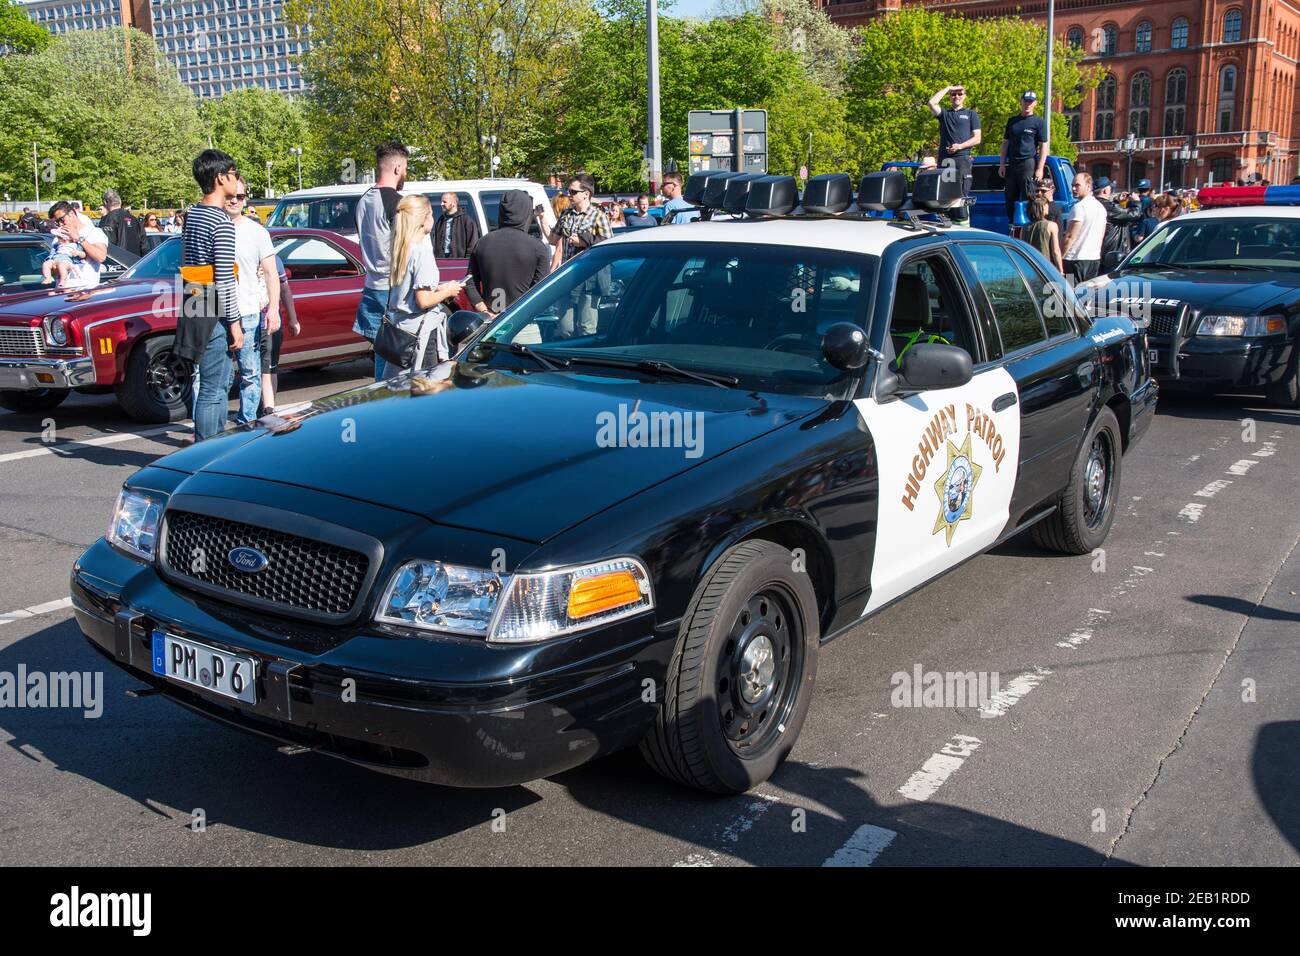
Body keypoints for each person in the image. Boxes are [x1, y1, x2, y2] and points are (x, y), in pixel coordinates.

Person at [178, 149, 243, 442]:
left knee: (211, 380)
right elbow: (225, 277)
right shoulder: (221, 222)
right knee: (214, 387)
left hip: (194, 298)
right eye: (233, 173)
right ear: (220, 178)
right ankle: (208, 451)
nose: (236, 179)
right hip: (214, 305)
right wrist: (235, 321)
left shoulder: (193, 215)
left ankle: (210, 445)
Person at [383, 194, 466, 377]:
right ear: (422, 219)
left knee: (399, 386)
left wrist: (440, 288)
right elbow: (423, 301)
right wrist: (449, 291)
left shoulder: (401, 249)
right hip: (421, 333)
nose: (433, 218)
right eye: (430, 214)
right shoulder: (422, 253)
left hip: (401, 330)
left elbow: (410, 290)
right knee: (424, 388)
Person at [225, 176, 280, 425]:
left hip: (248, 312)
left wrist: (274, 310)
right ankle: (205, 432)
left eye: (241, 196)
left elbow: (272, 273)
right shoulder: (212, 226)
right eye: (230, 196)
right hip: (215, 313)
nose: (235, 200)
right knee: (211, 377)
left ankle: (246, 424)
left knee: (250, 374)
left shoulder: (257, 232)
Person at [353, 141, 408, 379]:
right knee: (394, 362)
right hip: (392, 287)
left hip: (372, 285)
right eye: (405, 167)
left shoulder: (363, 200)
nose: (405, 173)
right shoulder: (396, 202)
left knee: (381, 354)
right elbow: (406, 248)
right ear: (397, 168)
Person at [465, 189, 550, 320]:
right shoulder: (537, 247)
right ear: (525, 212)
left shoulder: (483, 243)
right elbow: (541, 291)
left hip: (491, 322)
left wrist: (485, 311)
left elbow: (469, 283)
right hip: (523, 323)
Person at [928, 84, 981, 219]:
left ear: (964, 96)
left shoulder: (971, 114)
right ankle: (946, 225)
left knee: (961, 197)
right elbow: (931, 102)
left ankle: (963, 228)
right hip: (946, 161)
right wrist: (947, 88)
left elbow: (977, 138)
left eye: (960, 94)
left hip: (962, 159)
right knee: (946, 197)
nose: (956, 96)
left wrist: (960, 146)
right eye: (953, 94)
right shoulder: (945, 114)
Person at [999, 91, 1049, 234]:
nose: (1028, 104)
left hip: (1028, 163)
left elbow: (1043, 145)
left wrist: (1040, 168)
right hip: (1012, 163)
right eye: (1025, 101)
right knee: (1010, 199)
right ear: (1021, 102)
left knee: (1028, 197)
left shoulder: (1038, 122)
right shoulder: (1012, 121)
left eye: (1030, 101)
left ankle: (1028, 229)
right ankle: (1012, 228)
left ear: (1035, 103)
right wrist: (1002, 164)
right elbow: (1005, 143)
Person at [549, 173, 610, 272]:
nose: (569, 194)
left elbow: (609, 246)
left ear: (586, 194)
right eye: (568, 191)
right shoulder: (566, 214)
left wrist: (584, 242)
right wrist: (542, 218)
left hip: (588, 275)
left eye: (573, 192)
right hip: (568, 272)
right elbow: (552, 239)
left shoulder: (599, 216)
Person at [44, 200, 109, 290]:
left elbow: (101, 257)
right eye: (56, 223)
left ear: (71, 213)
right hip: (62, 293)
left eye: (61, 220)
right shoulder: (58, 237)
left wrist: (78, 238)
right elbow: (53, 270)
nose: (60, 224)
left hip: (86, 293)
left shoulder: (94, 232)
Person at [1061, 172, 1107, 283]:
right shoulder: (1100, 207)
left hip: (1074, 260)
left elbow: (1070, 236)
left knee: (1071, 294)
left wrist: (1059, 258)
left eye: (1077, 185)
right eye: (1072, 185)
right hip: (1093, 259)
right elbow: (1101, 236)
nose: (1073, 188)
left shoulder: (1079, 207)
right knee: (1087, 295)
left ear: (1088, 186)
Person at [1094, 177, 1140, 261]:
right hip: (1113, 253)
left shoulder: (1094, 204)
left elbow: (1118, 216)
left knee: (1072, 274)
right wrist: (1136, 202)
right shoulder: (1108, 206)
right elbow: (1134, 214)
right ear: (1106, 191)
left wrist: (1119, 203)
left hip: (1100, 250)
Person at [432, 191, 480, 259]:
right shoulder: (440, 220)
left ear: (454, 203)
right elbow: (435, 244)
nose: (441, 204)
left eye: (444, 202)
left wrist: (467, 261)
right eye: (441, 202)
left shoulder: (467, 221)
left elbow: (473, 244)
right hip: (441, 260)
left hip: (460, 262)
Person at [1023, 196, 1064, 274]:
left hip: (1030, 268)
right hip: (1046, 267)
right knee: (1066, 283)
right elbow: (1056, 251)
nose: (1048, 206)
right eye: (1047, 204)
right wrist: (1060, 270)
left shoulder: (1025, 227)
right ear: (1043, 207)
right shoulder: (1052, 225)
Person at [97, 190, 145, 256]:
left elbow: (105, 245)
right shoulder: (134, 219)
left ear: (105, 203)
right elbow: (144, 245)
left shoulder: (107, 219)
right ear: (120, 202)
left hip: (118, 262)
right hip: (136, 261)